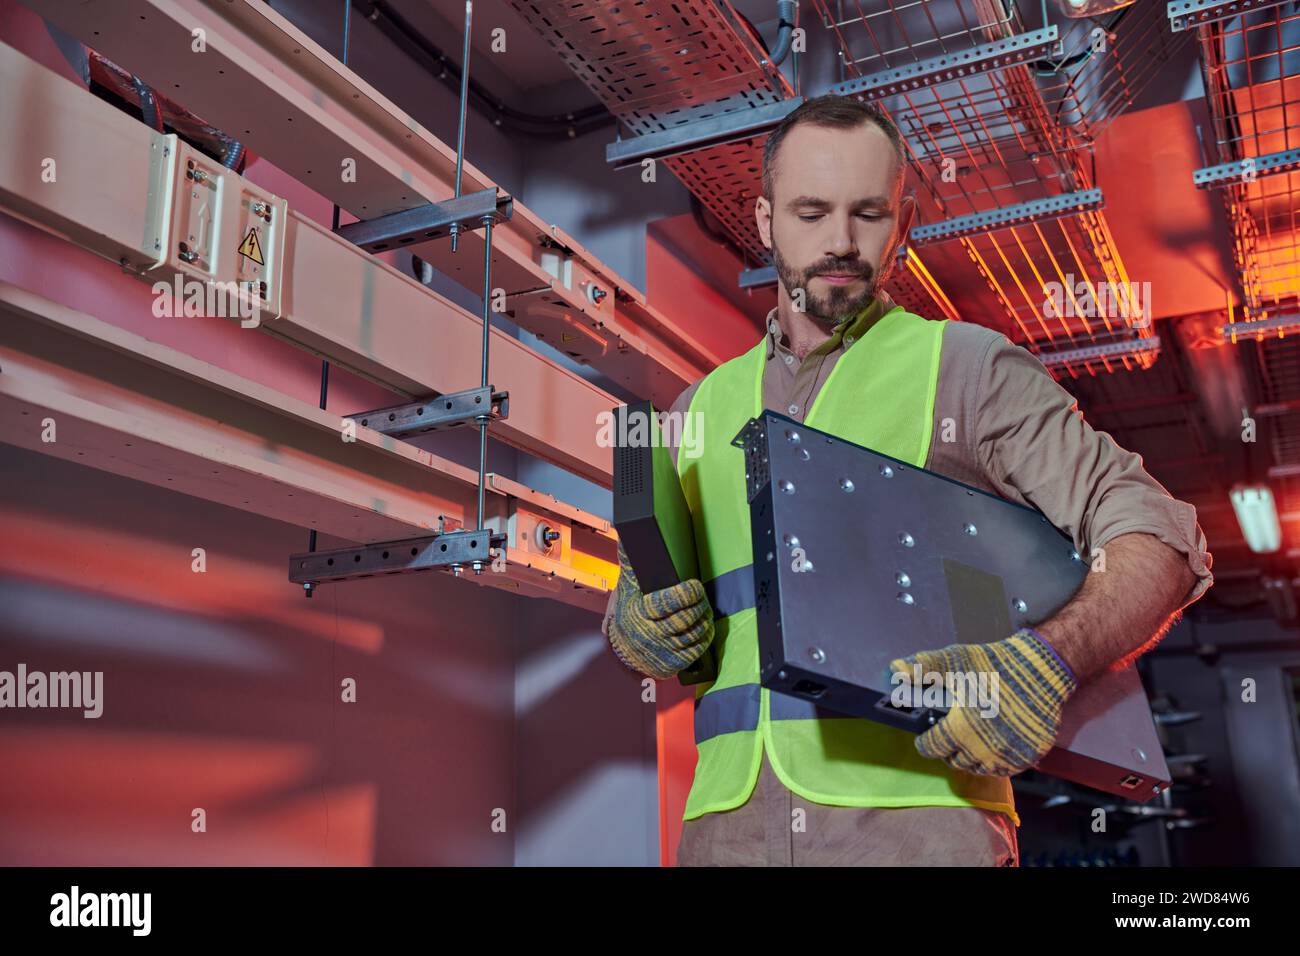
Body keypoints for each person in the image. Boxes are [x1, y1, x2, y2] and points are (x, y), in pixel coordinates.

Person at [601, 94, 1212, 866]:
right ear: (763, 223)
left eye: (869, 214)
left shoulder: (965, 369)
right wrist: (631, 628)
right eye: (811, 212)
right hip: (723, 831)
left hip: (920, 832)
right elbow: (657, 605)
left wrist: (1046, 661)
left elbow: (1159, 533)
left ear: (906, 222)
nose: (841, 242)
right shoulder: (695, 410)